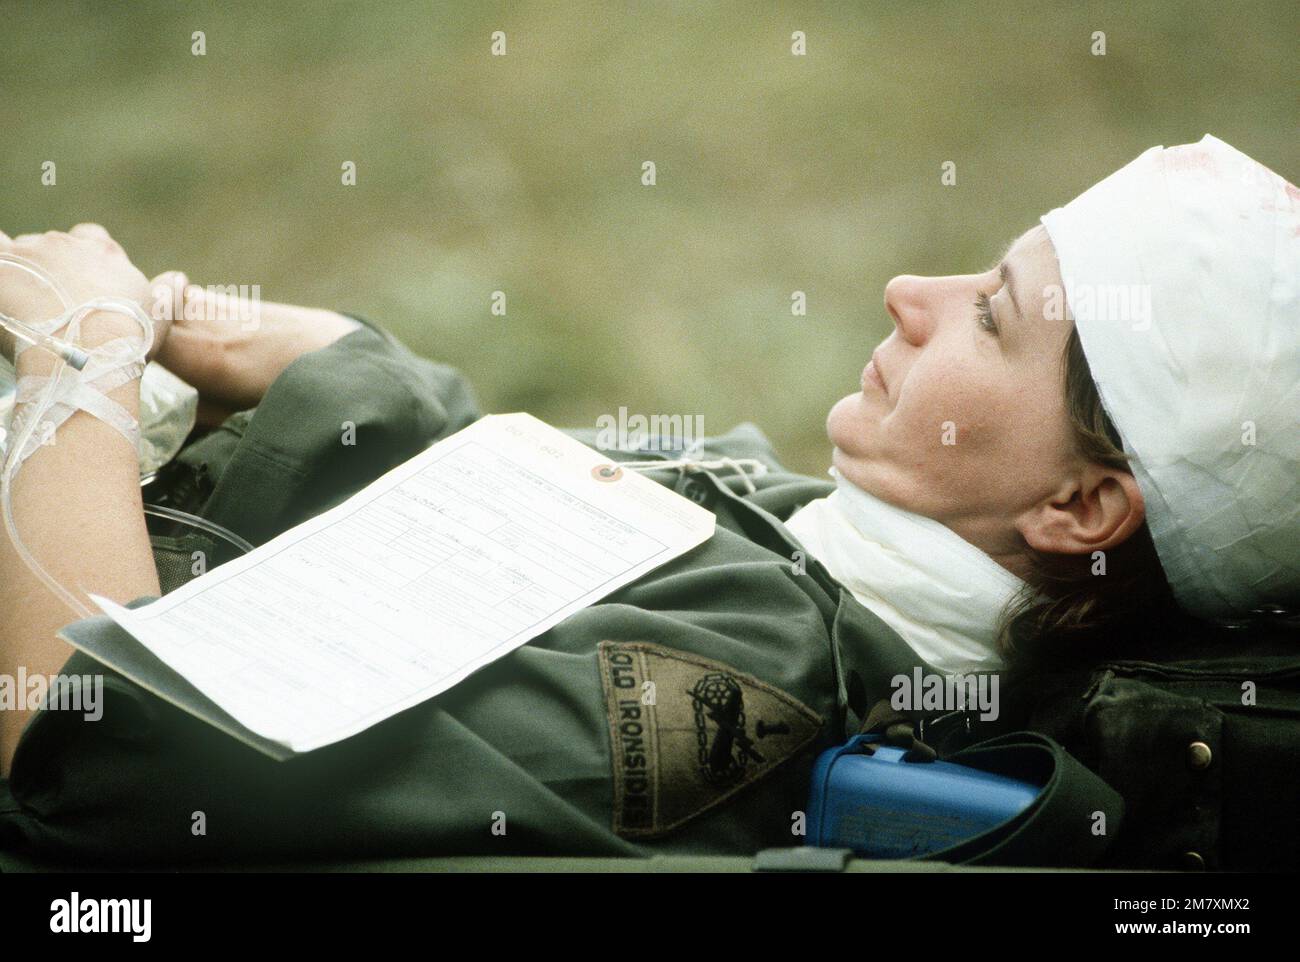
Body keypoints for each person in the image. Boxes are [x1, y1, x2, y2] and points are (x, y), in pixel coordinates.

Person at [0, 135, 1294, 866]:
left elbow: (94, 751)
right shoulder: (819, 537)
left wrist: (75, 372)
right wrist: (343, 364)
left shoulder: (747, 680)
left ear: (1080, 509)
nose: (914, 290)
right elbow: (559, 514)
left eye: (992, 316)